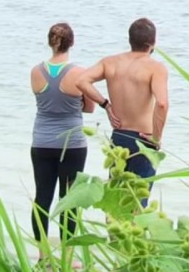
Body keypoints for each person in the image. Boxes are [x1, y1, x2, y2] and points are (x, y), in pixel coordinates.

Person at [67, 18, 169, 200]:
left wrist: (105, 105)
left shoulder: (110, 63)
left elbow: (81, 81)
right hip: (143, 141)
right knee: (137, 201)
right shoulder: (156, 68)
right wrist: (156, 137)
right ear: (153, 43)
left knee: (115, 199)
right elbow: (162, 104)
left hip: (119, 137)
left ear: (130, 40)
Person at [29, 22, 93, 259]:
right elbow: (90, 108)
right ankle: (67, 257)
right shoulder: (80, 73)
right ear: (72, 43)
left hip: (41, 143)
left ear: (49, 42)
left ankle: (43, 256)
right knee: (70, 200)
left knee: (42, 198)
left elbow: (43, 103)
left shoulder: (36, 71)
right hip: (72, 144)